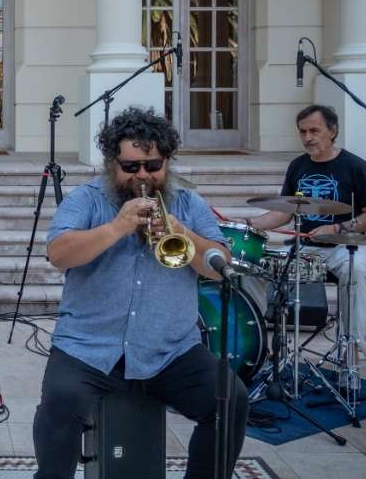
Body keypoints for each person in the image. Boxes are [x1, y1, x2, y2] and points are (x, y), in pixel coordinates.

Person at [33, 107, 247, 479]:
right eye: (131, 167)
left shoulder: (187, 204)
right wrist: (118, 226)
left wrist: (181, 231)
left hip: (169, 349)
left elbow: (219, 260)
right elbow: (58, 253)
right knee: (58, 405)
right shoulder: (87, 200)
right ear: (112, 164)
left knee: (230, 401)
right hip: (88, 345)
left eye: (153, 165)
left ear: (166, 162)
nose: (143, 175)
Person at [245, 104, 366, 378]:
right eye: (303, 132)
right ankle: (259, 344)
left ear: (333, 131)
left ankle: (350, 351)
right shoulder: (298, 166)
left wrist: (338, 226)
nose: (308, 137)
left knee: (354, 272)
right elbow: (283, 213)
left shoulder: (355, 166)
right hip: (305, 246)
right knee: (253, 269)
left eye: (314, 130)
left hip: (345, 245)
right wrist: (246, 224)